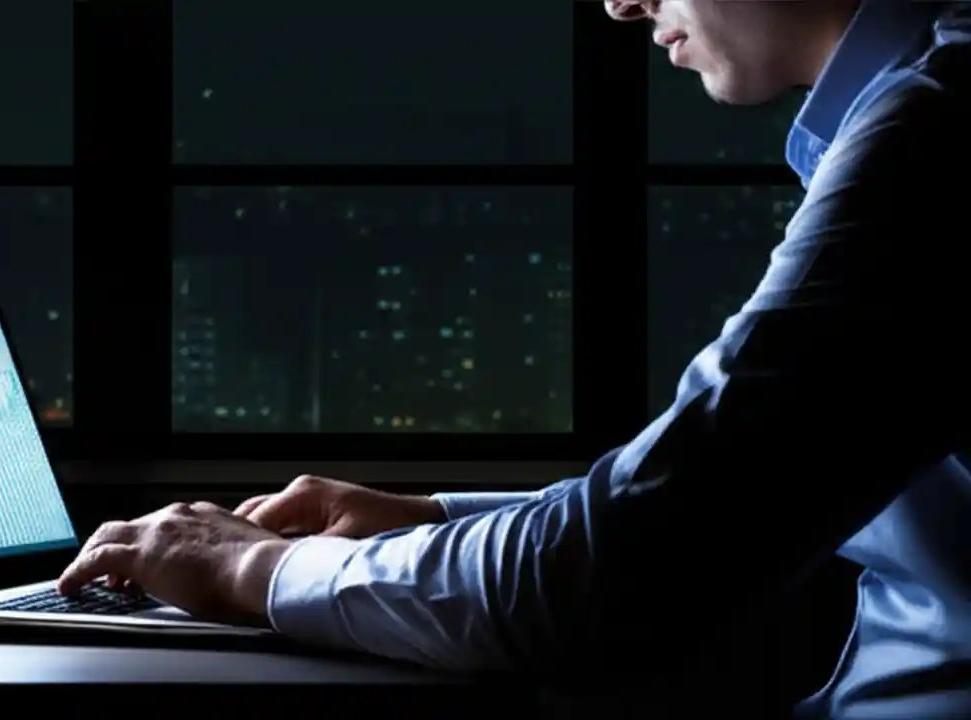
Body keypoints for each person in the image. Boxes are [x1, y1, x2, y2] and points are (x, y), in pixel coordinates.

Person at [59, 0, 971, 716]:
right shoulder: (907, 107)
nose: (620, 5)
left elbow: (621, 569)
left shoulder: (936, 128)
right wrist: (431, 518)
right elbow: (728, 500)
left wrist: (253, 572)